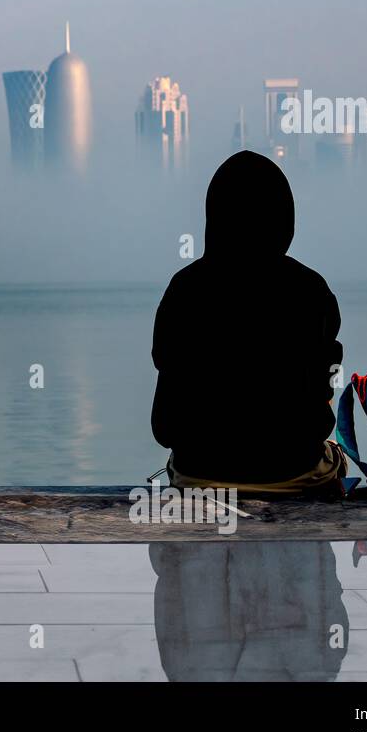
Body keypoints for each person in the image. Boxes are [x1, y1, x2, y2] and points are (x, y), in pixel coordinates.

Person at [150, 150, 347, 497]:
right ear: (285, 219)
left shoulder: (184, 289)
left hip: (200, 475)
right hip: (293, 472)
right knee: (337, 458)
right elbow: (321, 406)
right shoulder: (310, 290)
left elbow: (165, 428)